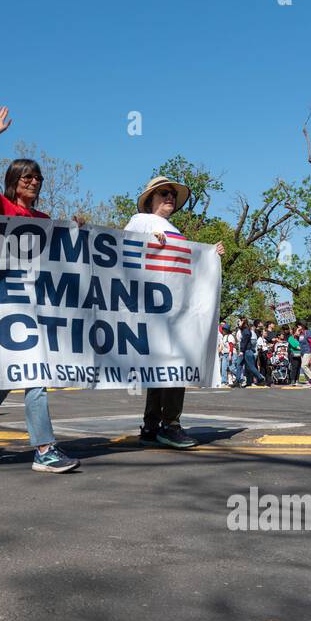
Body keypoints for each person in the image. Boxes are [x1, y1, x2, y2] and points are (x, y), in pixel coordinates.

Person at [0, 106, 80, 472]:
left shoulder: (43, 220)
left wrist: (76, 230)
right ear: (13, 181)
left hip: (36, 307)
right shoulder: (0, 207)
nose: (33, 182)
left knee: (7, 377)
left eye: (37, 178)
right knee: (35, 374)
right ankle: (44, 449)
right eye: (26, 177)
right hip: (3, 303)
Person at [124, 176, 225, 448]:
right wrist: (147, 240)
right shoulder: (142, 221)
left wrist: (209, 256)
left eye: (172, 194)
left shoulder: (173, 228)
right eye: (163, 193)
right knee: (173, 364)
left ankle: (151, 424)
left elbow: (185, 268)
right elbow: (125, 248)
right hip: (154, 306)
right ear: (150, 200)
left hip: (173, 309)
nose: (169, 197)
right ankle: (170, 423)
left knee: (163, 367)